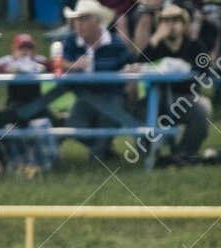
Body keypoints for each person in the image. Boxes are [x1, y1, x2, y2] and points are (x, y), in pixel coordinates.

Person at [58, 0, 138, 162]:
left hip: (112, 94)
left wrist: (131, 71)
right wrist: (72, 65)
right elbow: (59, 63)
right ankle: (102, 150)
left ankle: (98, 156)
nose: (79, 25)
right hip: (85, 95)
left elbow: (132, 63)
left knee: (109, 119)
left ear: (97, 21)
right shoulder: (71, 41)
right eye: (76, 20)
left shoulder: (115, 43)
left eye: (84, 19)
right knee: (74, 125)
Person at [136, 4, 212, 161]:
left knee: (200, 113)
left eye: (176, 21)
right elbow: (139, 66)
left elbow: (205, 71)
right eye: (166, 21)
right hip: (156, 97)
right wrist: (155, 38)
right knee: (138, 112)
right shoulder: (155, 46)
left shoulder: (194, 45)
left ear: (184, 25)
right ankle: (149, 154)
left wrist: (185, 68)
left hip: (185, 97)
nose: (171, 25)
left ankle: (183, 153)